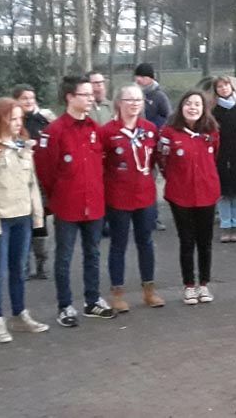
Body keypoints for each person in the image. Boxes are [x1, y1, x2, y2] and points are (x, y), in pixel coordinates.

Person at [34, 75, 116, 327]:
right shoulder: (54, 131)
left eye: (93, 94)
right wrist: (59, 196)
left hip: (94, 205)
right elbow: (45, 171)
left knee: (92, 254)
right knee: (65, 257)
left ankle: (92, 301)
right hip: (67, 206)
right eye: (85, 94)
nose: (92, 98)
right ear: (70, 97)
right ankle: (65, 305)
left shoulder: (94, 128)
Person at [0, 97, 50, 343]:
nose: (18, 123)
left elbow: (32, 184)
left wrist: (37, 216)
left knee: (19, 269)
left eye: (20, 119)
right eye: (12, 118)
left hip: (22, 217)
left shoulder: (22, 146)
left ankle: (19, 314)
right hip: (0, 219)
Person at [101, 85, 165, 311]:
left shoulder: (148, 129)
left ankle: (149, 290)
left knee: (146, 242)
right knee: (118, 245)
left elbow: (157, 160)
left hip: (145, 195)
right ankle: (117, 293)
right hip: (118, 197)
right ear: (119, 102)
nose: (135, 104)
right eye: (130, 99)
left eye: (139, 100)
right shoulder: (107, 132)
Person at [159, 91, 222, 305]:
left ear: (204, 108)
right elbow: (163, 162)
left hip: (207, 193)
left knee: (205, 242)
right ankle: (188, 286)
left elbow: (214, 156)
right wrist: (178, 179)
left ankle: (204, 284)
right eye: (188, 103)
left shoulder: (211, 132)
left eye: (197, 104)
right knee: (186, 241)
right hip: (180, 195)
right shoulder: (168, 132)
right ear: (181, 107)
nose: (193, 108)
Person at [13, 83, 57, 280]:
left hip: (41, 179)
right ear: (16, 101)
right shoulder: (12, 122)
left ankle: (41, 263)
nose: (29, 101)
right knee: (24, 220)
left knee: (40, 220)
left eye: (31, 98)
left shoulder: (45, 120)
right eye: (24, 98)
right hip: (20, 179)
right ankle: (24, 263)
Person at [211, 76, 236, 243]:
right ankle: (226, 226)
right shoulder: (213, 110)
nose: (223, 89)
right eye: (219, 87)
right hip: (220, 154)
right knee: (223, 193)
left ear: (232, 86)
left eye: (225, 85)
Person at [135, 63, 171, 232]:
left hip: (154, 142)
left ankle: (153, 218)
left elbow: (168, 117)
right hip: (136, 144)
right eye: (137, 76)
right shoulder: (133, 95)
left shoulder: (159, 96)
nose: (137, 79)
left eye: (141, 76)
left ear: (149, 78)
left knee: (151, 179)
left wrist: (155, 129)